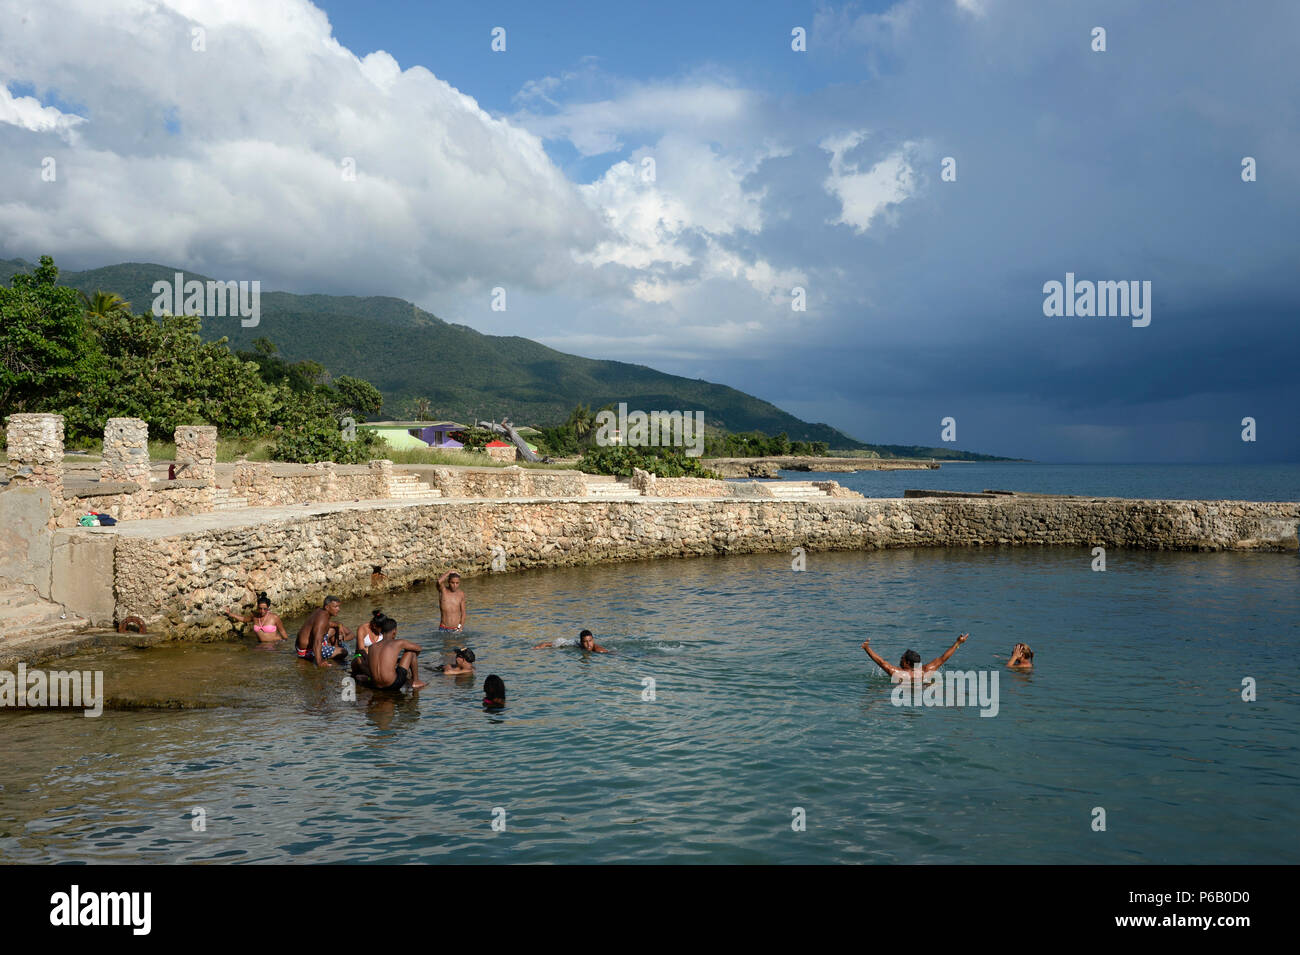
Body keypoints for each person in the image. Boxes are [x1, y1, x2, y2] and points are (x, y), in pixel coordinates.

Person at [861, 633, 968, 681]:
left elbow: (881, 663)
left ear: (907, 662)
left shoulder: (899, 674)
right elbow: (943, 658)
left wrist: (867, 648)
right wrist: (958, 643)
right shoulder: (926, 670)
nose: (900, 660)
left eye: (902, 658)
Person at [296, 596, 352, 666]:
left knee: (334, 629)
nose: (338, 609)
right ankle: (330, 655)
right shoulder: (322, 619)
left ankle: (334, 647)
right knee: (343, 652)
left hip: (305, 645)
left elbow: (327, 625)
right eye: (335, 607)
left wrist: (339, 626)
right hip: (307, 651)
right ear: (327, 607)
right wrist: (319, 661)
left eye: (338, 606)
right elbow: (317, 641)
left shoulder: (321, 611)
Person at [224, 592, 289, 643]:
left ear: (268, 608)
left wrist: (286, 646)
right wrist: (230, 614)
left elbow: (282, 632)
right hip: (261, 645)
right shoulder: (254, 616)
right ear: (257, 607)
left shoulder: (274, 617)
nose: (262, 611)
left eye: (265, 609)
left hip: (276, 644)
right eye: (260, 608)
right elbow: (244, 619)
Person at [533, 629, 611, 653]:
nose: (588, 644)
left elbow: (610, 653)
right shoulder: (576, 643)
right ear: (581, 642)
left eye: (590, 641)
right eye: (585, 642)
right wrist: (539, 647)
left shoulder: (599, 650)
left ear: (593, 640)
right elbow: (547, 644)